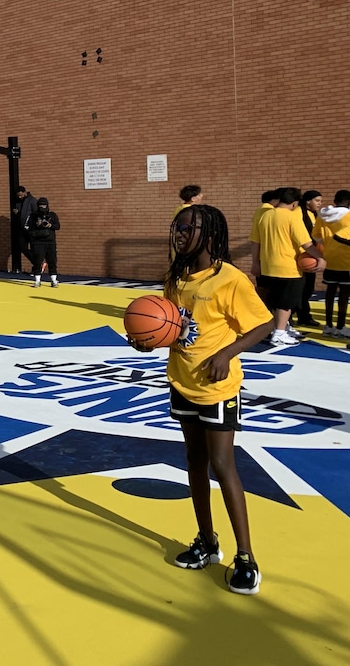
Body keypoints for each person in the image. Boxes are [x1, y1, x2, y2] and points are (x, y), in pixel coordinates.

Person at [129, 204, 272, 595]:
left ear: (208, 235)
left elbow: (264, 323)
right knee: (194, 461)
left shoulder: (230, 279)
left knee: (223, 464)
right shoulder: (175, 279)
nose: (178, 233)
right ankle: (207, 541)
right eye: (176, 226)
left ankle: (246, 557)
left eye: (186, 228)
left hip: (218, 389)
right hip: (181, 380)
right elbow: (174, 328)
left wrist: (227, 353)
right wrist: (147, 341)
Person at [254, 187, 324, 346]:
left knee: (275, 300)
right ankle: (279, 334)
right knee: (286, 303)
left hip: (268, 266)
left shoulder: (264, 216)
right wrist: (320, 257)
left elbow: (255, 242)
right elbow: (306, 244)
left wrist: (255, 262)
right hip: (288, 267)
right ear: (295, 203)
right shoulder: (292, 218)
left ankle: (281, 327)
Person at [318, 190, 350, 336]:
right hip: (346, 259)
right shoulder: (349, 216)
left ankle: (328, 326)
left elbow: (316, 236)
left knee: (330, 292)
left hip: (329, 257)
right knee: (344, 294)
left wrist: (327, 244)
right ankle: (340, 327)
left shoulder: (322, 215)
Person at [293, 190, 322, 327]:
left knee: (308, 289)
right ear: (307, 201)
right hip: (299, 256)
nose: (320, 204)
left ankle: (303, 316)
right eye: (317, 200)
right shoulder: (298, 212)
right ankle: (291, 316)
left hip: (310, 255)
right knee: (299, 290)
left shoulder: (314, 215)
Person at [25, 197, 61, 288]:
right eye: (40, 205)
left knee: (52, 261)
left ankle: (54, 280)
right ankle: (37, 281)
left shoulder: (52, 215)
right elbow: (26, 227)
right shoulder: (33, 216)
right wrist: (35, 224)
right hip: (38, 242)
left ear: (47, 205)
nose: (42, 207)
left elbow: (58, 226)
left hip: (50, 242)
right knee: (37, 262)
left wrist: (50, 225)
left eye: (44, 205)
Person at [11, 186, 38, 273]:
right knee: (22, 247)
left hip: (31, 229)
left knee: (34, 248)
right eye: (18, 196)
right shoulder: (19, 202)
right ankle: (38, 263)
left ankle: (37, 267)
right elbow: (22, 214)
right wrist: (17, 213)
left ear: (24, 192)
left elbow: (36, 213)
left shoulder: (32, 201)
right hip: (22, 229)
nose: (20, 197)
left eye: (21, 195)